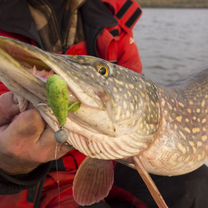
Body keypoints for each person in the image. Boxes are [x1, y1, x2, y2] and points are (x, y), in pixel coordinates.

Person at [0, 1, 207, 208]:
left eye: (103, 72)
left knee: (194, 186)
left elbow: (131, 99)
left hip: (109, 154)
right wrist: (7, 167)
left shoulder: (111, 19)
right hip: (32, 185)